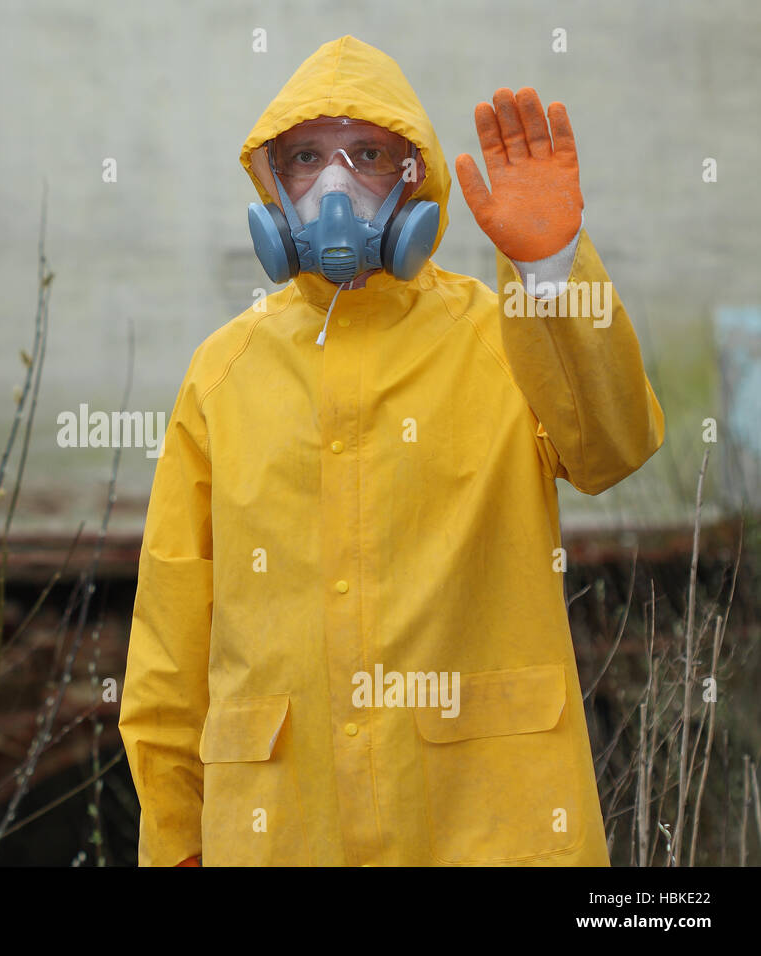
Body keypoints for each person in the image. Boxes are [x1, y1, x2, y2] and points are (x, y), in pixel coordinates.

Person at [118, 35, 665, 867]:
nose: (334, 183)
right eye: (305, 158)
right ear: (273, 186)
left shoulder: (502, 334)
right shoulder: (224, 376)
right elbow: (168, 649)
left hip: (493, 833)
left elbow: (614, 446)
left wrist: (553, 268)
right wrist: (175, 841)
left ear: (413, 175)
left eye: (366, 153)